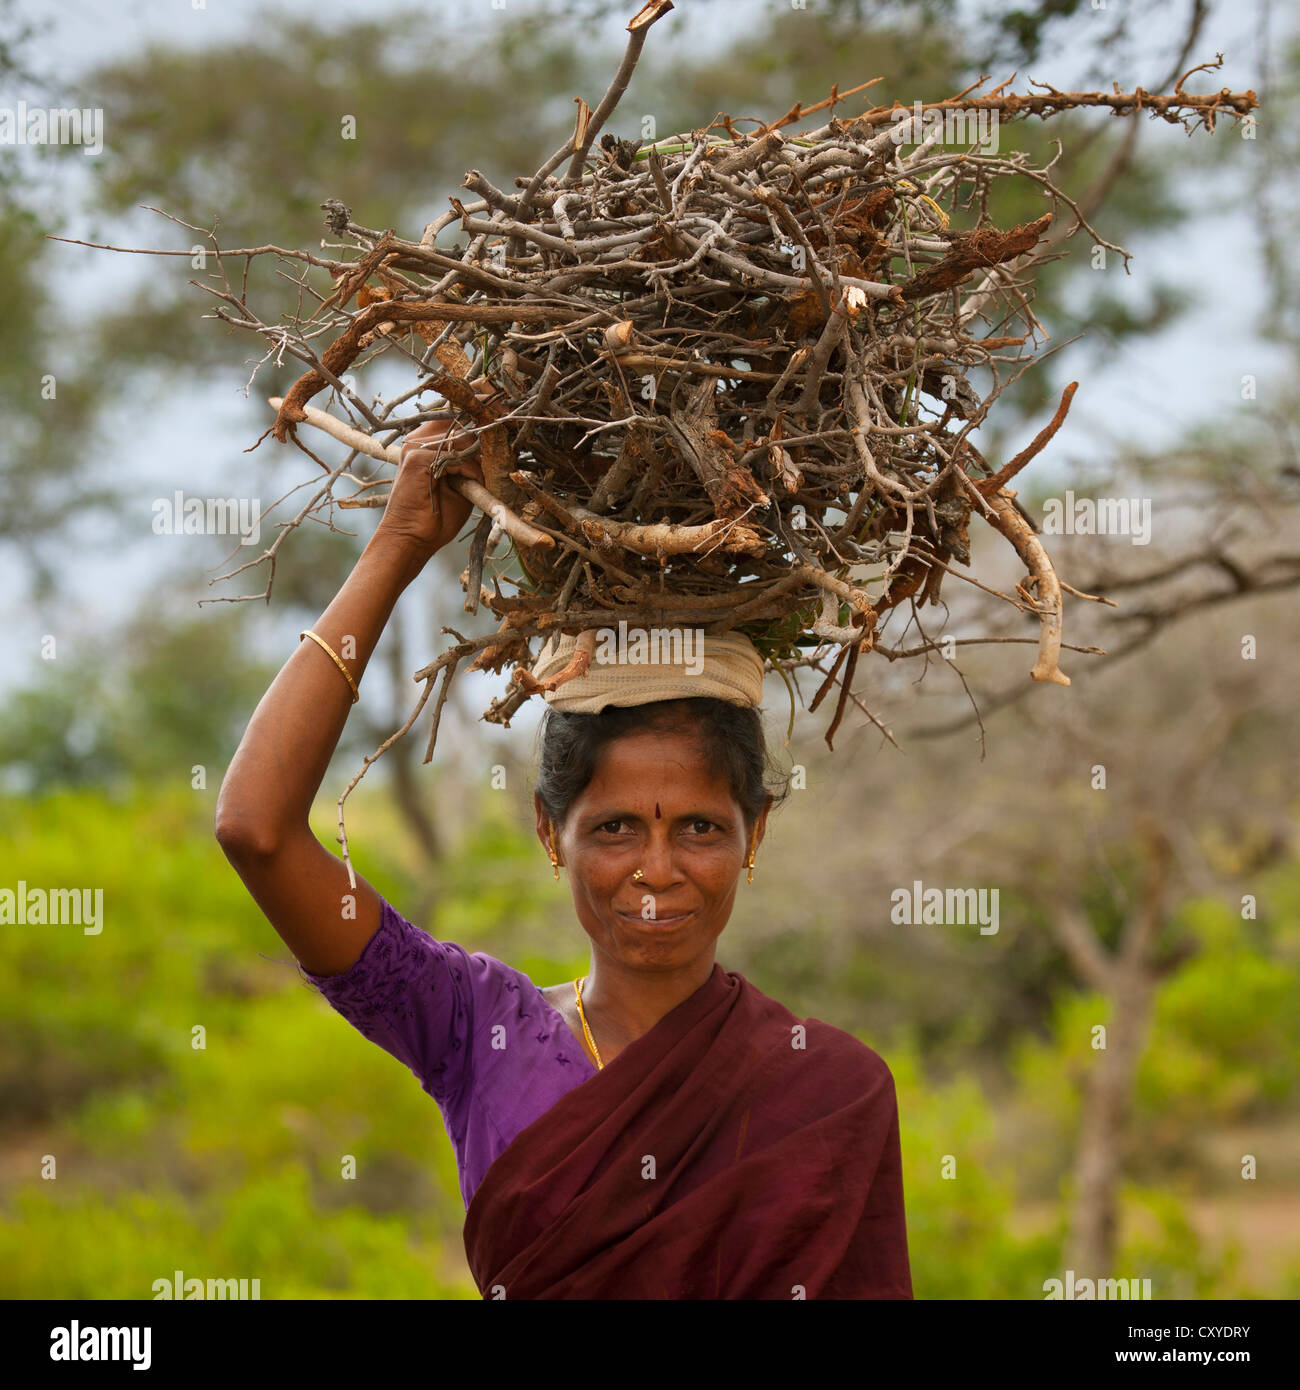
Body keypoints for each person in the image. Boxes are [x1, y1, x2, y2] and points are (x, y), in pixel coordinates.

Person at [215, 415, 912, 1299]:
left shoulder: (831, 1089)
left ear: (755, 833)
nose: (657, 870)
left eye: (699, 828)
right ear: (551, 833)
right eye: (616, 828)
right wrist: (396, 547)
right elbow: (257, 831)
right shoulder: (475, 1028)